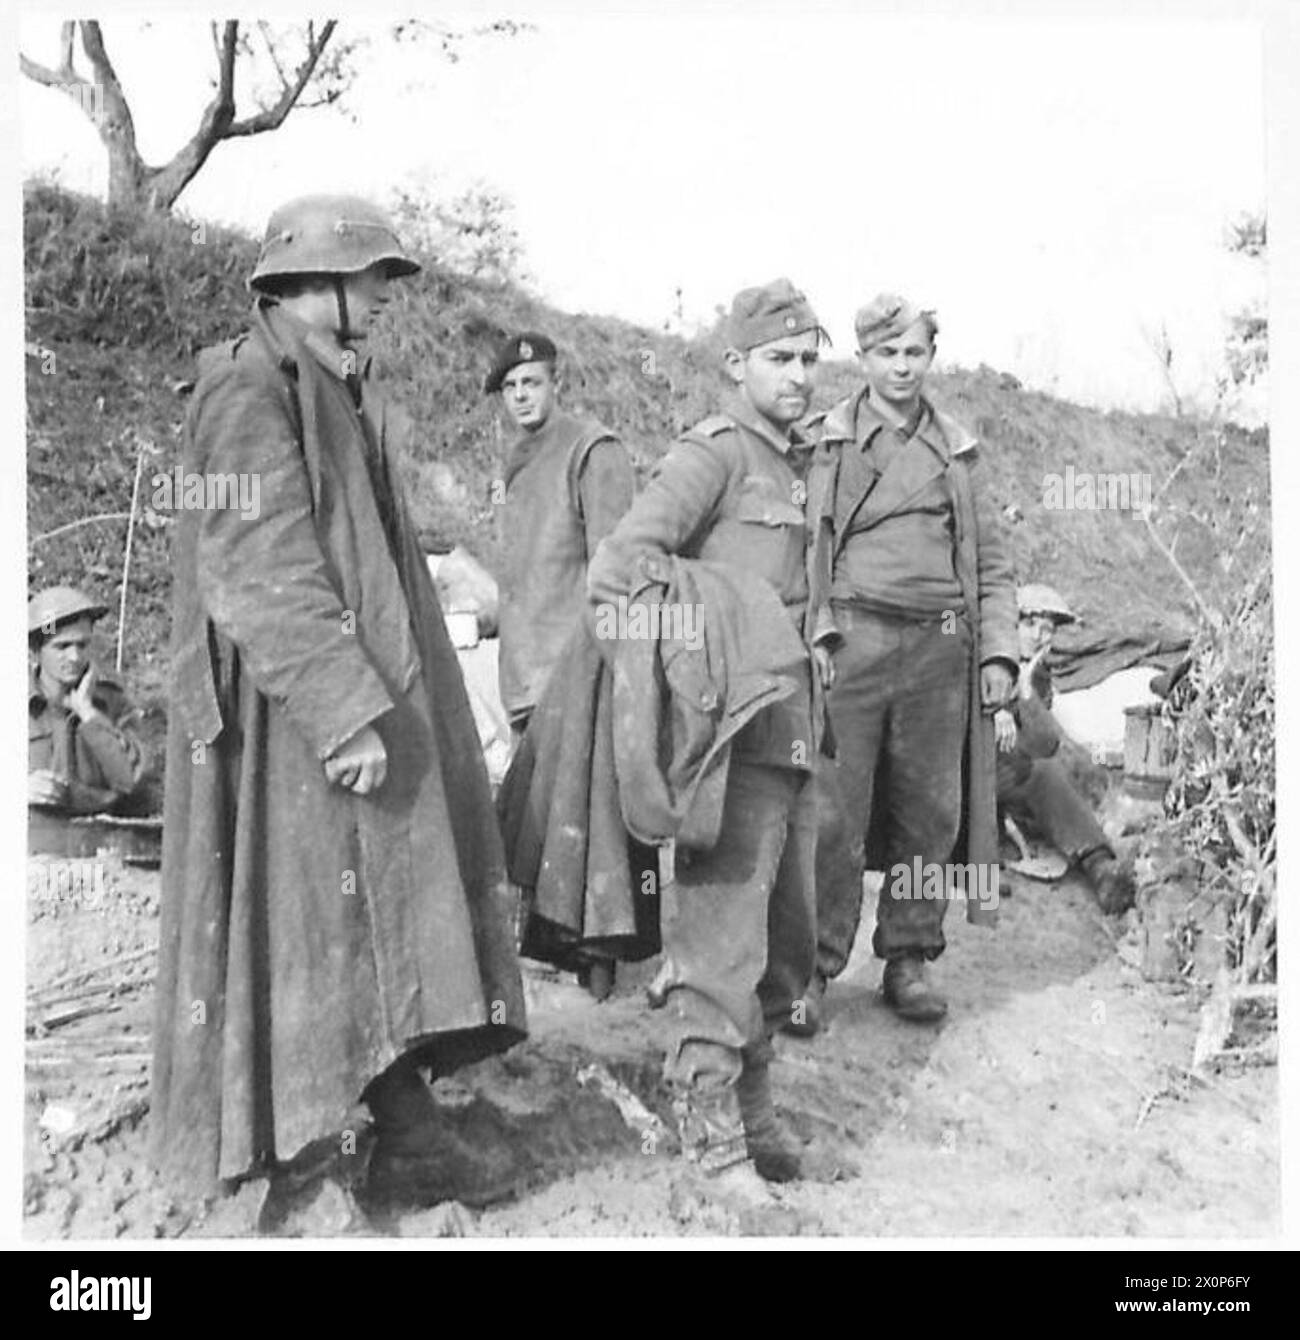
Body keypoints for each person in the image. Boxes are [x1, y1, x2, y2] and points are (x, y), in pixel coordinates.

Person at [150, 195, 526, 1209]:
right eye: (371, 281)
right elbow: (254, 563)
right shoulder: (245, 386)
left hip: (339, 695)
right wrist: (342, 709)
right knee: (307, 923)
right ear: (311, 284)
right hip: (287, 712)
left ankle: (400, 1126)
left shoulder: (334, 384)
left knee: (364, 915)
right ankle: (307, 1158)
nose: (384, 300)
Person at [587, 278, 835, 1182]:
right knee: (721, 942)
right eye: (780, 358)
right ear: (736, 364)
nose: (800, 375)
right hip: (731, 748)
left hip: (795, 734)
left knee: (782, 941)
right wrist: (707, 647)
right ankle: (711, 1147)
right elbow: (618, 573)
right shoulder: (715, 455)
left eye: (810, 358)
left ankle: (756, 1114)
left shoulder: (801, 463)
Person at [798, 293, 1017, 1032]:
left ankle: (908, 956)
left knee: (928, 813)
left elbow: (993, 563)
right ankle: (815, 965)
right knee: (833, 811)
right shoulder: (826, 444)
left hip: (937, 648)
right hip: (853, 641)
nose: (901, 367)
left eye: (914, 353)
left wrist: (998, 653)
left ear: (931, 358)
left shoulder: (956, 451)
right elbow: (805, 550)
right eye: (887, 353)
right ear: (863, 360)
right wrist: (819, 628)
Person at [487, 331, 639, 997]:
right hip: (526, 656)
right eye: (511, 388)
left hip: (577, 657)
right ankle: (545, 941)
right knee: (535, 812)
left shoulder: (592, 451)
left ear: (557, 385)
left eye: (533, 383)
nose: (522, 396)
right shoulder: (516, 458)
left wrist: (602, 654)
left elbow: (616, 562)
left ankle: (599, 955)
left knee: (591, 811)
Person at [994, 584, 1135, 913]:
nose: (1039, 636)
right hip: (957, 777)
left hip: (1000, 776)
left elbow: (1045, 745)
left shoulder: (1037, 676)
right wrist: (996, 708)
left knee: (1044, 772)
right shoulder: (977, 660)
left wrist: (1025, 693)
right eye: (1029, 625)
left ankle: (1100, 866)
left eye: (1047, 629)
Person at [28, 586, 149, 815]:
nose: (74, 657)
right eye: (62, 647)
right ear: (36, 650)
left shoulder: (113, 705)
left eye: (82, 645)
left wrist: (88, 712)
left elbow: (134, 782)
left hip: (99, 842)